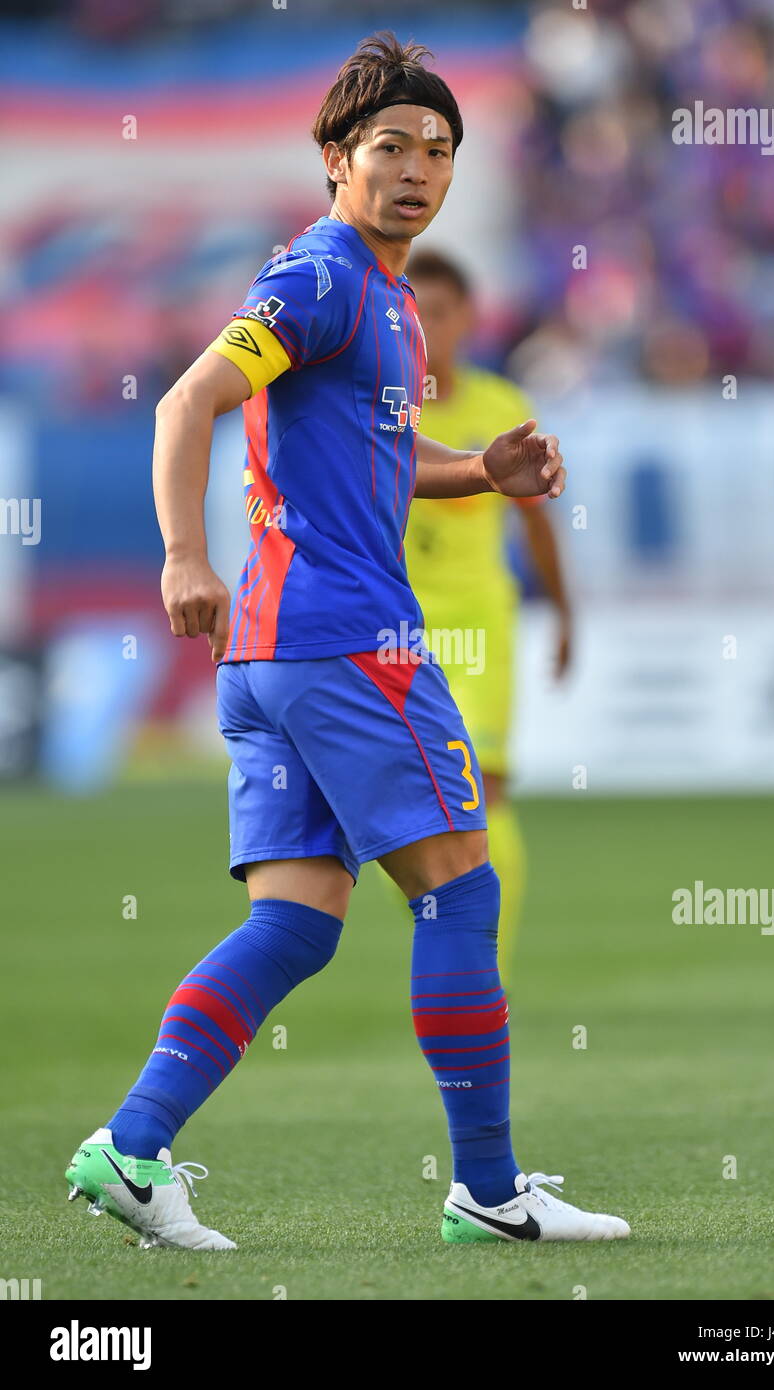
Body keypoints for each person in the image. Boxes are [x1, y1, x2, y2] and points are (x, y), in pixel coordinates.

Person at [65, 32, 628, 1249]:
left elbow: (373, 455)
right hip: (345, 641)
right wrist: (179, 551)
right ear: (334, 157)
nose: (417, 169)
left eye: (438, 150)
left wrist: (480, 467)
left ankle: (132, 1146)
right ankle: (487, 1185)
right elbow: (188, 399)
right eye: (389, 147)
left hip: (273, 658)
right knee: (461, 895)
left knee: (296, 921)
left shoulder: (385, 302)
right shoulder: (322, 276)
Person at [402, 249, 572, 986]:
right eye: (413, 313)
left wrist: (565, 612)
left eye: (439, 312)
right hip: (391, 629)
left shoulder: (500, 407)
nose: (425, 327)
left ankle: (483, 965)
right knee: (401, 801)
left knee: (482, 788)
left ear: (468, 318)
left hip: (480, 626)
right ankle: (441, 919)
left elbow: (537, 524)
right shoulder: (375, 405)